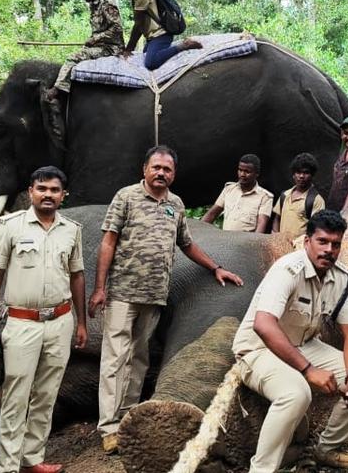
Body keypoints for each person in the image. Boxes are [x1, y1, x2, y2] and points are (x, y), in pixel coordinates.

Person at [89, 146, 244, 453]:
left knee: (140, 357)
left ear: (174, 174)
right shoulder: (127, 197)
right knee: (115, 359)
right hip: (122, 292)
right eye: (156, 167)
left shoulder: (175, 204)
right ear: (144, 169)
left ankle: (128, 417)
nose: (161, 173)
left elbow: (186, 244)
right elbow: (108, 241)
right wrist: (99, 287)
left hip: (155, 294)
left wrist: (216, 268)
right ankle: (108, 427)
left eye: (167, 169)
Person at [233, 210, 348, 472]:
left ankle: (328, 449)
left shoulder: (342, 278)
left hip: (305, 344)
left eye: (336, 244)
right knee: (296, 393)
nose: (329, 250)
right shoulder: (288, 270)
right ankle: (262, 469)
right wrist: (309, 371)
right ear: (307, 241)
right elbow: (264, 325)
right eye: (322, 241)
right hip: (259, 348)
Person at [0, 166, 87, 473]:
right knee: (17, 395)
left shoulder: (71, 229)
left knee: (46, 393)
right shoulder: (10, 226)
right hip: (21, 322)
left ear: (63, 196)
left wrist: (80, 323)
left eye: (54, 190)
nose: (48, 194)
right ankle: (9, 466)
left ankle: (32, 459)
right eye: (42, 189)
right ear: (31, 192)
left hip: (60, 321)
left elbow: (77, 276)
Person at [46, 0, 125, 110]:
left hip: (112, 49)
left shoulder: (107, 6)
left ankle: (57, 89)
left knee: (74, 57)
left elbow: (117, 28)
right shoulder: (93, 7)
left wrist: (95, 39)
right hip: (100, 46)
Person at [114, 0, 201, 70]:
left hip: (161, 35)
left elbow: (138, 24)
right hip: (152, 38)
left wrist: (128, 49)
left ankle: (183, 46)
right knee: (145, 55)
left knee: (151, 63)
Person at [203, 154, 274, 233]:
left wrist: (254, 244)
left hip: (246, 243)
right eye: (240, 170)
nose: (242, 174)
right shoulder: (228, 189)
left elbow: (261, 225)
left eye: (247, 171)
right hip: (225, 242)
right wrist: (197, 233)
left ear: (257, 174)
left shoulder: (265, 197)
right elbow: (212, 214)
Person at [272, 152, 325, 240]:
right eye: (298, 172)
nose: (301, 176)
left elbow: (316, 229)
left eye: (306, 173)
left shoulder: (316, 200)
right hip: (281, 246)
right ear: (293, 175)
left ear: (312, 175)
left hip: (300, 249)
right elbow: (277, 219)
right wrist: (276, 237)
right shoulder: (284, 195)